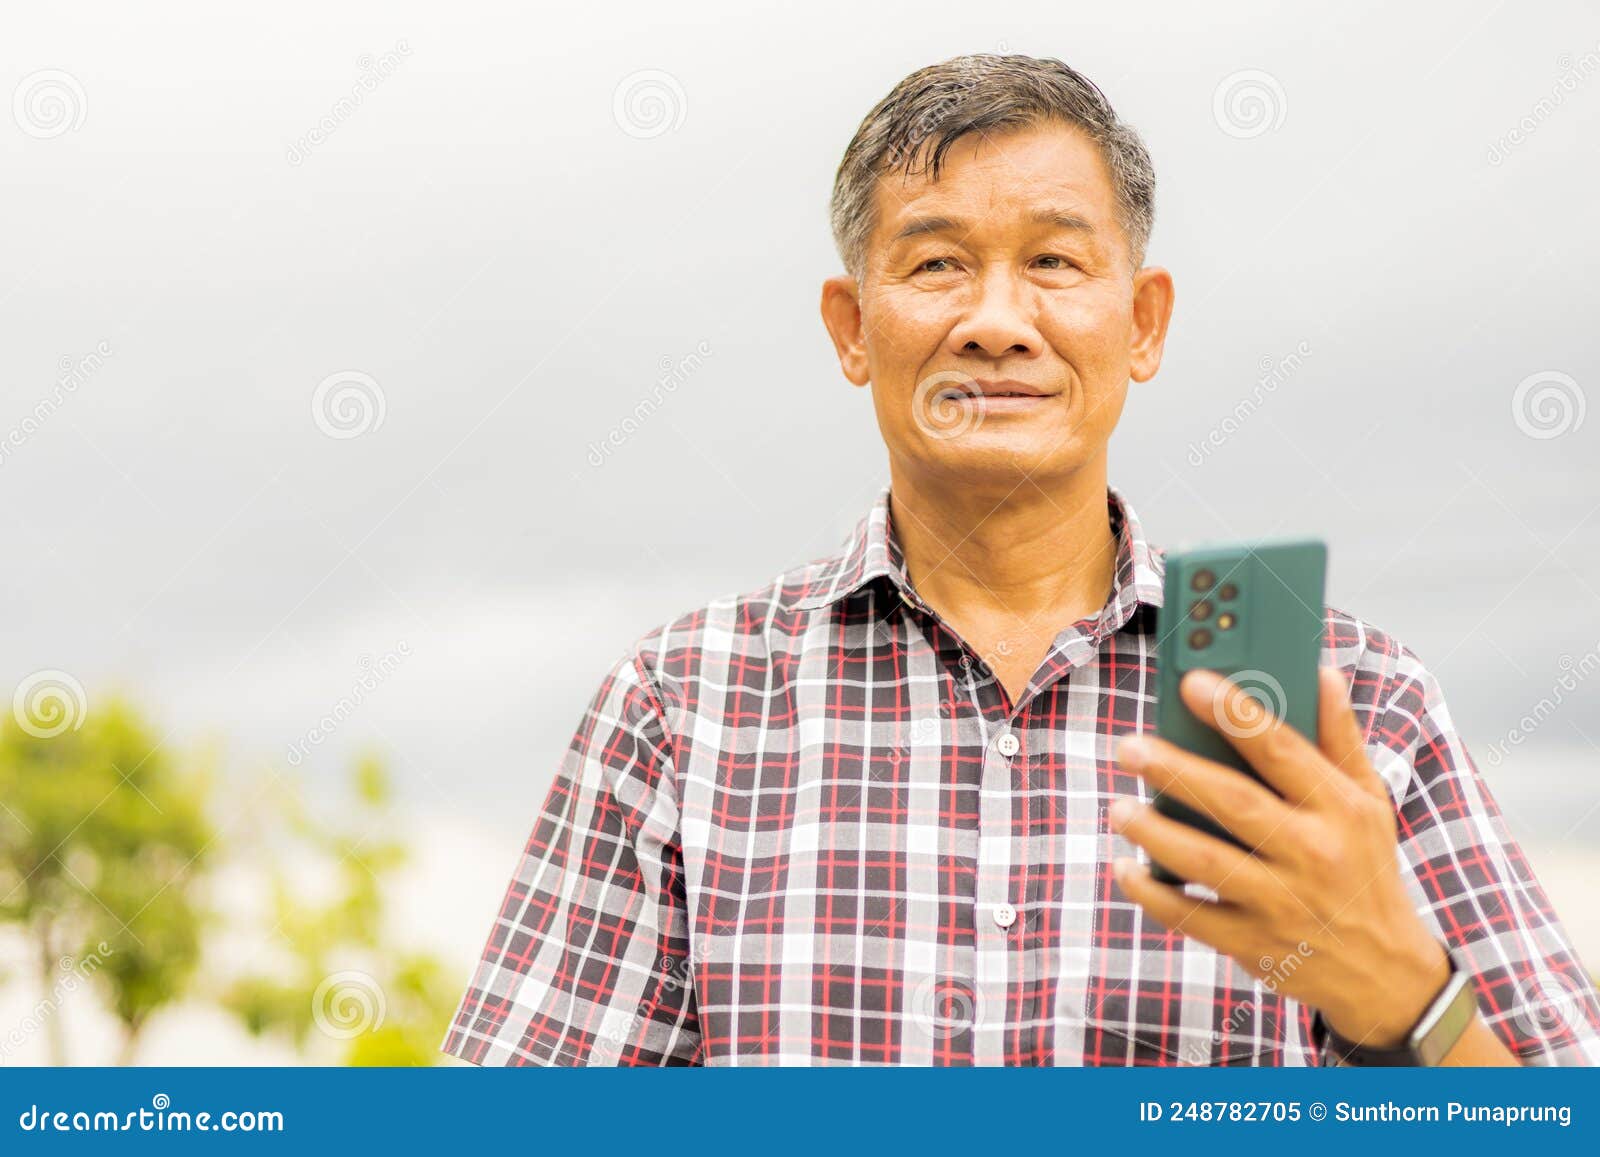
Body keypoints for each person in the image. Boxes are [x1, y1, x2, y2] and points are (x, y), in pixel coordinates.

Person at [440, 53, 1600, 1066]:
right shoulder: (687, 706)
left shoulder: (1346, 703)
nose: (997, 320)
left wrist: (1407, 997)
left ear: (1141, 322)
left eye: (1053, 262)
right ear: (852, 328)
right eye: (937, 264)